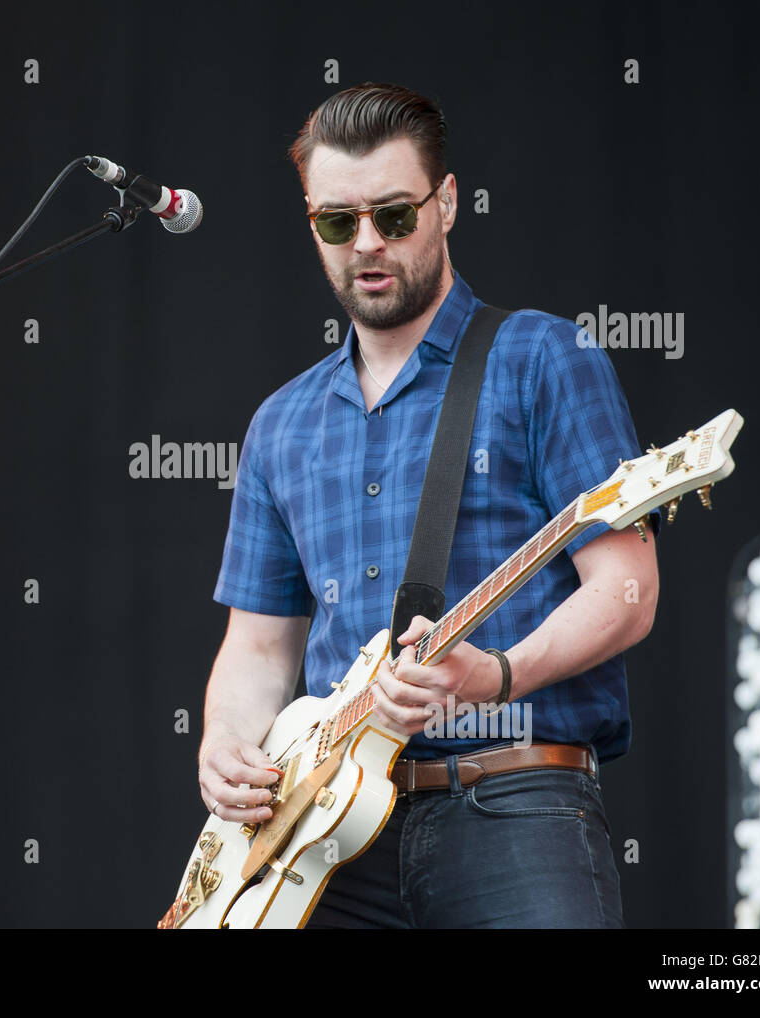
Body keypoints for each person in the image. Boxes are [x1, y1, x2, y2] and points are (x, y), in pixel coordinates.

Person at [196, 83, 658, 928]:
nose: (367, 243)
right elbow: (259, 649)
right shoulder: (280, 423)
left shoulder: (545, 358)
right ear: (311, 223)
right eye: (339, 222)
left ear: (445, 203)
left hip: (511, 798)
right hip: (324, 843)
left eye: (394, 215)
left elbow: (628, 592)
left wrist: (499, 674)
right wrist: (223, 741)